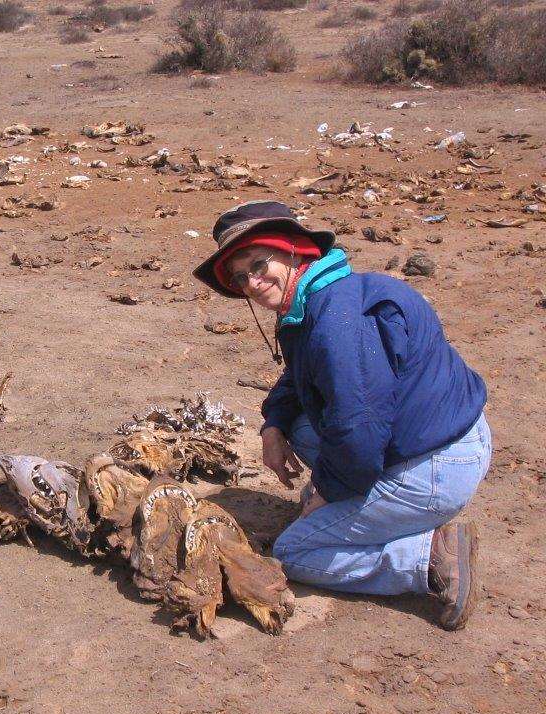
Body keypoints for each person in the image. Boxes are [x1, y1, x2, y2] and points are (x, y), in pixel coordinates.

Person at [193, 200, 491, 630]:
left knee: (295, 553)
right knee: (298, 426)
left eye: (260, 264)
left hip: (436, 468)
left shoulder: (338, 322)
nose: (253, 284)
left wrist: (328, 492)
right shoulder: (325, 298)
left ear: (295, 249)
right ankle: (372, 502)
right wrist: (273, 425)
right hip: (445, 440)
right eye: (241, 277)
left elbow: (359, 428)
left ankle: (428, 557)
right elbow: (300, 380)